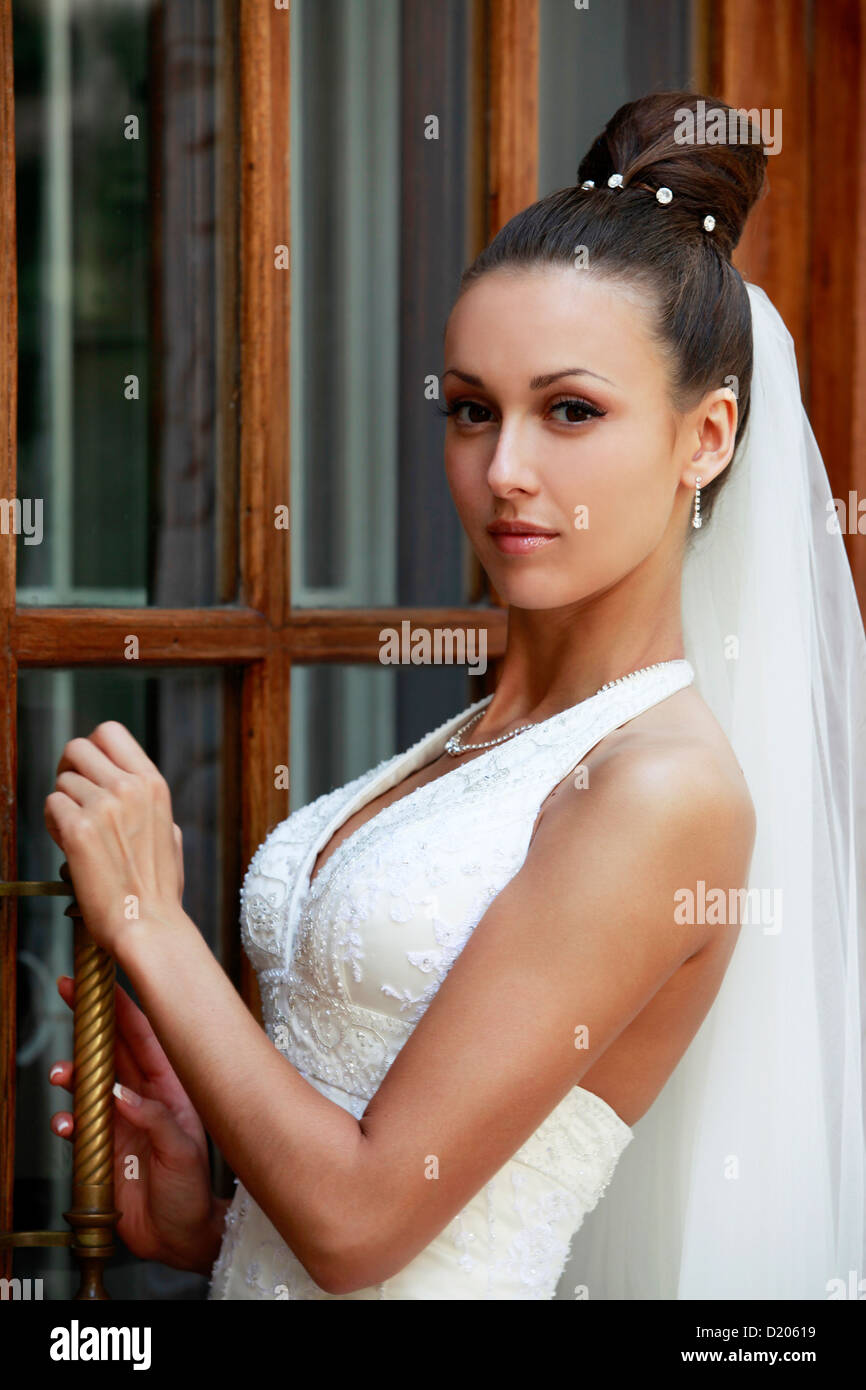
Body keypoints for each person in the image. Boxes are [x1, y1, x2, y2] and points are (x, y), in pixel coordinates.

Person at [46, 91, 865, 1300]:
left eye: (570, 410)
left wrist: (149, 922)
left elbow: (360, 1222)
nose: (505, 471)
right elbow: (374, 1214)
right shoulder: (476, 740)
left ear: (705, 439)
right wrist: (206, 1214)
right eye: (471, 409)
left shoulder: (661, 789)